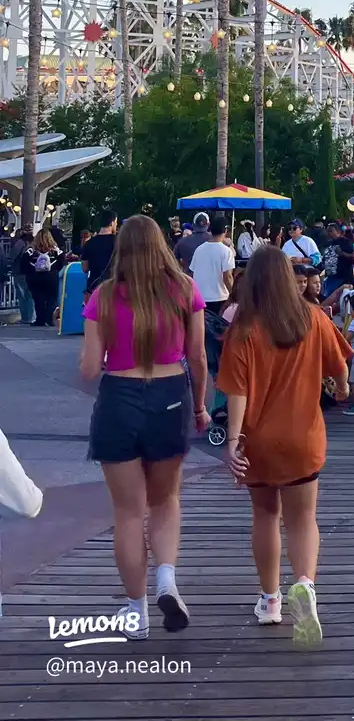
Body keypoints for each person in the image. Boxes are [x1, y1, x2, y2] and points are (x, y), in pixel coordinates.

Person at [80, 216, 209, 639]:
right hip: (171, 393)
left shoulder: (102, 296)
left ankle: (135, 612)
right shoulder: (185, 290)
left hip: (119, 397)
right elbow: (199, 358)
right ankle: (167, 579)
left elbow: (86, 370)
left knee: (128, 512)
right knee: (166, 498)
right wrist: (201, 408)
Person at [218, 245, 351, 645]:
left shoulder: (241, 330)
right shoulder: (312, 318)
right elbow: (340, 366)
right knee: (303, 518)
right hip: (303, 437)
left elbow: (237, 393)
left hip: (258, 440)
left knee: (265, 516)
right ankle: (306, 585)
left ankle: (270, 600)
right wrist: (343, 390)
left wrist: (233, 441)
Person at [189, 215, 236, 315]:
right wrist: (234, 296)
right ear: (225, 230)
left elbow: (192, 273)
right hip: (220, 298)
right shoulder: (226, 251)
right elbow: (227, 277)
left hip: (200, 298)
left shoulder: (199, 249)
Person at [27, 229, 61, 326]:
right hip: (51, 277)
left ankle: (40, 320)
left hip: (35, 278)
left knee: (38, 299)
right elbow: (62, 261)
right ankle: (50, 319)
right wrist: (54, 269)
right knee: (51, 299)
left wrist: (30, 272)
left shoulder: (31, 250)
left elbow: (24, 262)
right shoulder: (55, 250)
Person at [80, 210, 119, 293]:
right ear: (112, 223)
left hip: (94, 286)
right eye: (116, 222)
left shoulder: (89, 243)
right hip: (113, 285)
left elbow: (84, 268)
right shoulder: (118, 241)